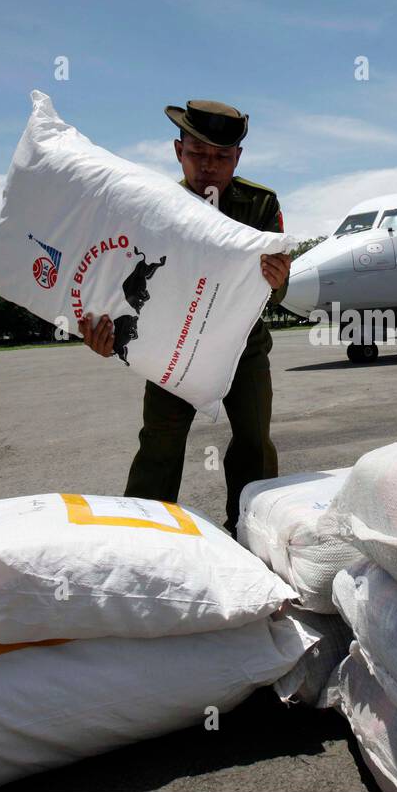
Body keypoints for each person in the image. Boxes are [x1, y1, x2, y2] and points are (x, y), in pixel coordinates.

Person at [77, 99, 291, 535]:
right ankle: (143, 538)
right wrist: (105, 334)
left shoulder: (260, 205)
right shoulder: (154, 206)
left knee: (254, 444)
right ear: (178, 151)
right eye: (198, 154)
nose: (209, 166)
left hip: (241, 349)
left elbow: (278, 289)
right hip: (172, 348)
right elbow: (124, 280)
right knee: (160, 444)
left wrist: (279, 277)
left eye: (221, 157)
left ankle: (253, 534)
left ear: (238, 158)